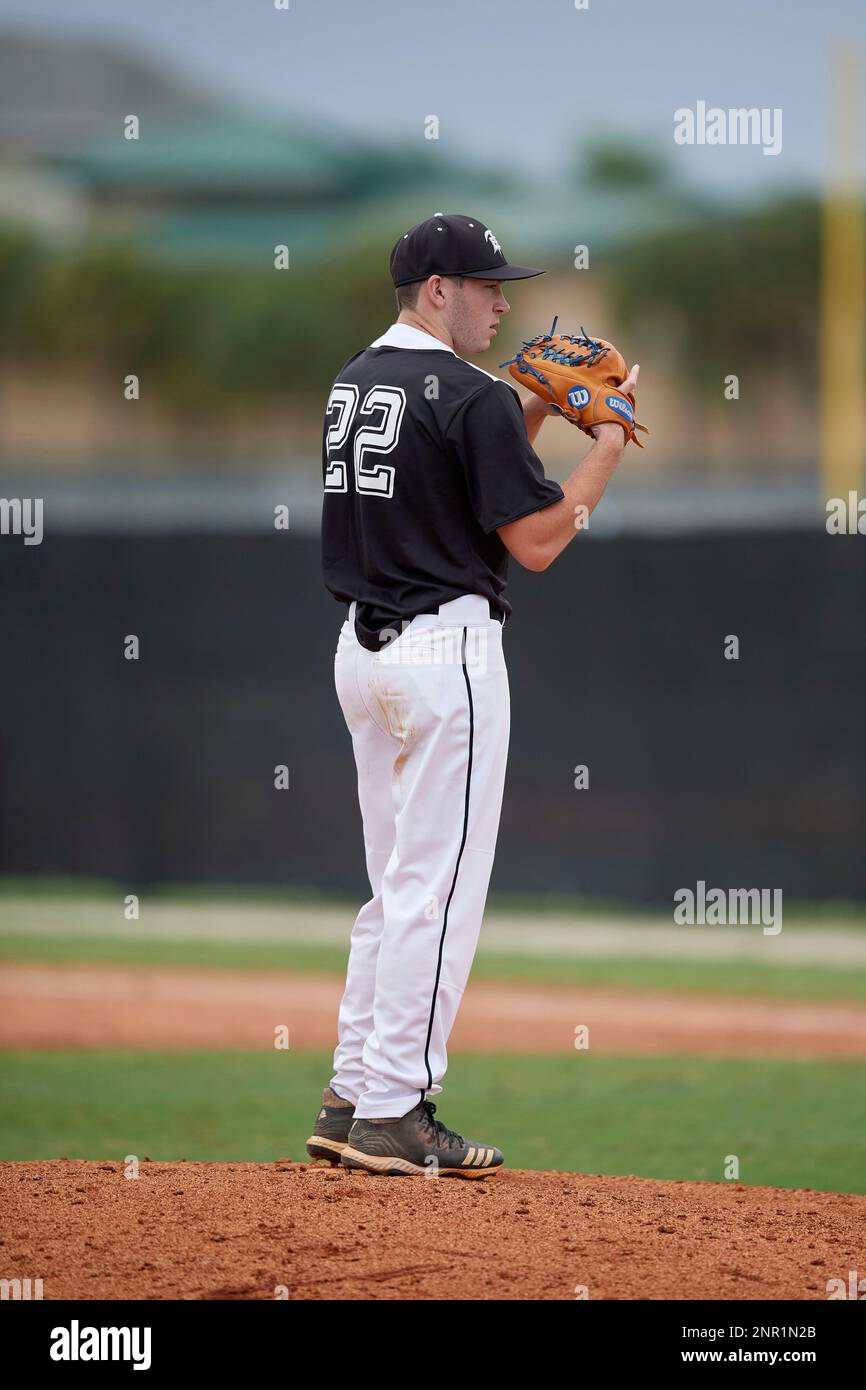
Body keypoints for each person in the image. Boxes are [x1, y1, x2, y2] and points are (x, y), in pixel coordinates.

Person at [307, 212, 639, 1177]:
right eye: (486, 284)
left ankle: (351, 1093)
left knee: (393, 888)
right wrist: (610, 438)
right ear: (437, 291)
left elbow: (459, 481)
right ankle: (396, 1114)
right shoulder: (470, 395)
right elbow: (534, 541)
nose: (504, 299)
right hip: (444, 656)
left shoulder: (358, 379)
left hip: (363, 656)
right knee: (436, 894)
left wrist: (522, 411)